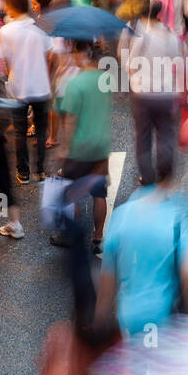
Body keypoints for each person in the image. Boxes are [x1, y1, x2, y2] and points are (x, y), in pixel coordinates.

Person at [95, 157, 188, 337]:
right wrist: (187, 310)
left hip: (129, 317)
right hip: (164, 316)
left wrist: (101, 319)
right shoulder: (177, 219)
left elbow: (107, 282)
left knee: (135, 363)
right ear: (168, 181)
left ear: (140, 180)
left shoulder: (120, 217)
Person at [54, 41, 113, 252]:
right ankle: (98, 238)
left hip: (80, 147)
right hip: (101, 145)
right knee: (99, 193)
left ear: (83, 55)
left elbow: (70, 119)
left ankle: (74, 234)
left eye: (76, 54)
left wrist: (65, 148)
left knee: (71, 192)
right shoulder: (106, 79)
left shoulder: (76, 84)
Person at [0, 0, 52, 186]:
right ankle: (41, 171)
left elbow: (4, 61)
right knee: (41, 128)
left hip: (18, 85)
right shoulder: (40, 28)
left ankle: (24, 173)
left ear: (11, 6)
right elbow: (48, 55)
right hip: (40, 85)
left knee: (20, 132)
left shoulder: (5, 31)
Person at [125, 1, 185, 186]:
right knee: (165, 132)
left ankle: (147, 175)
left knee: (143, 136)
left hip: (143, 93)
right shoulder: (169, 34)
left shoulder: (142, 35)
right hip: (166, 93)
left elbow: (131, 64)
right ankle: (165, 170)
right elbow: (177, 59)